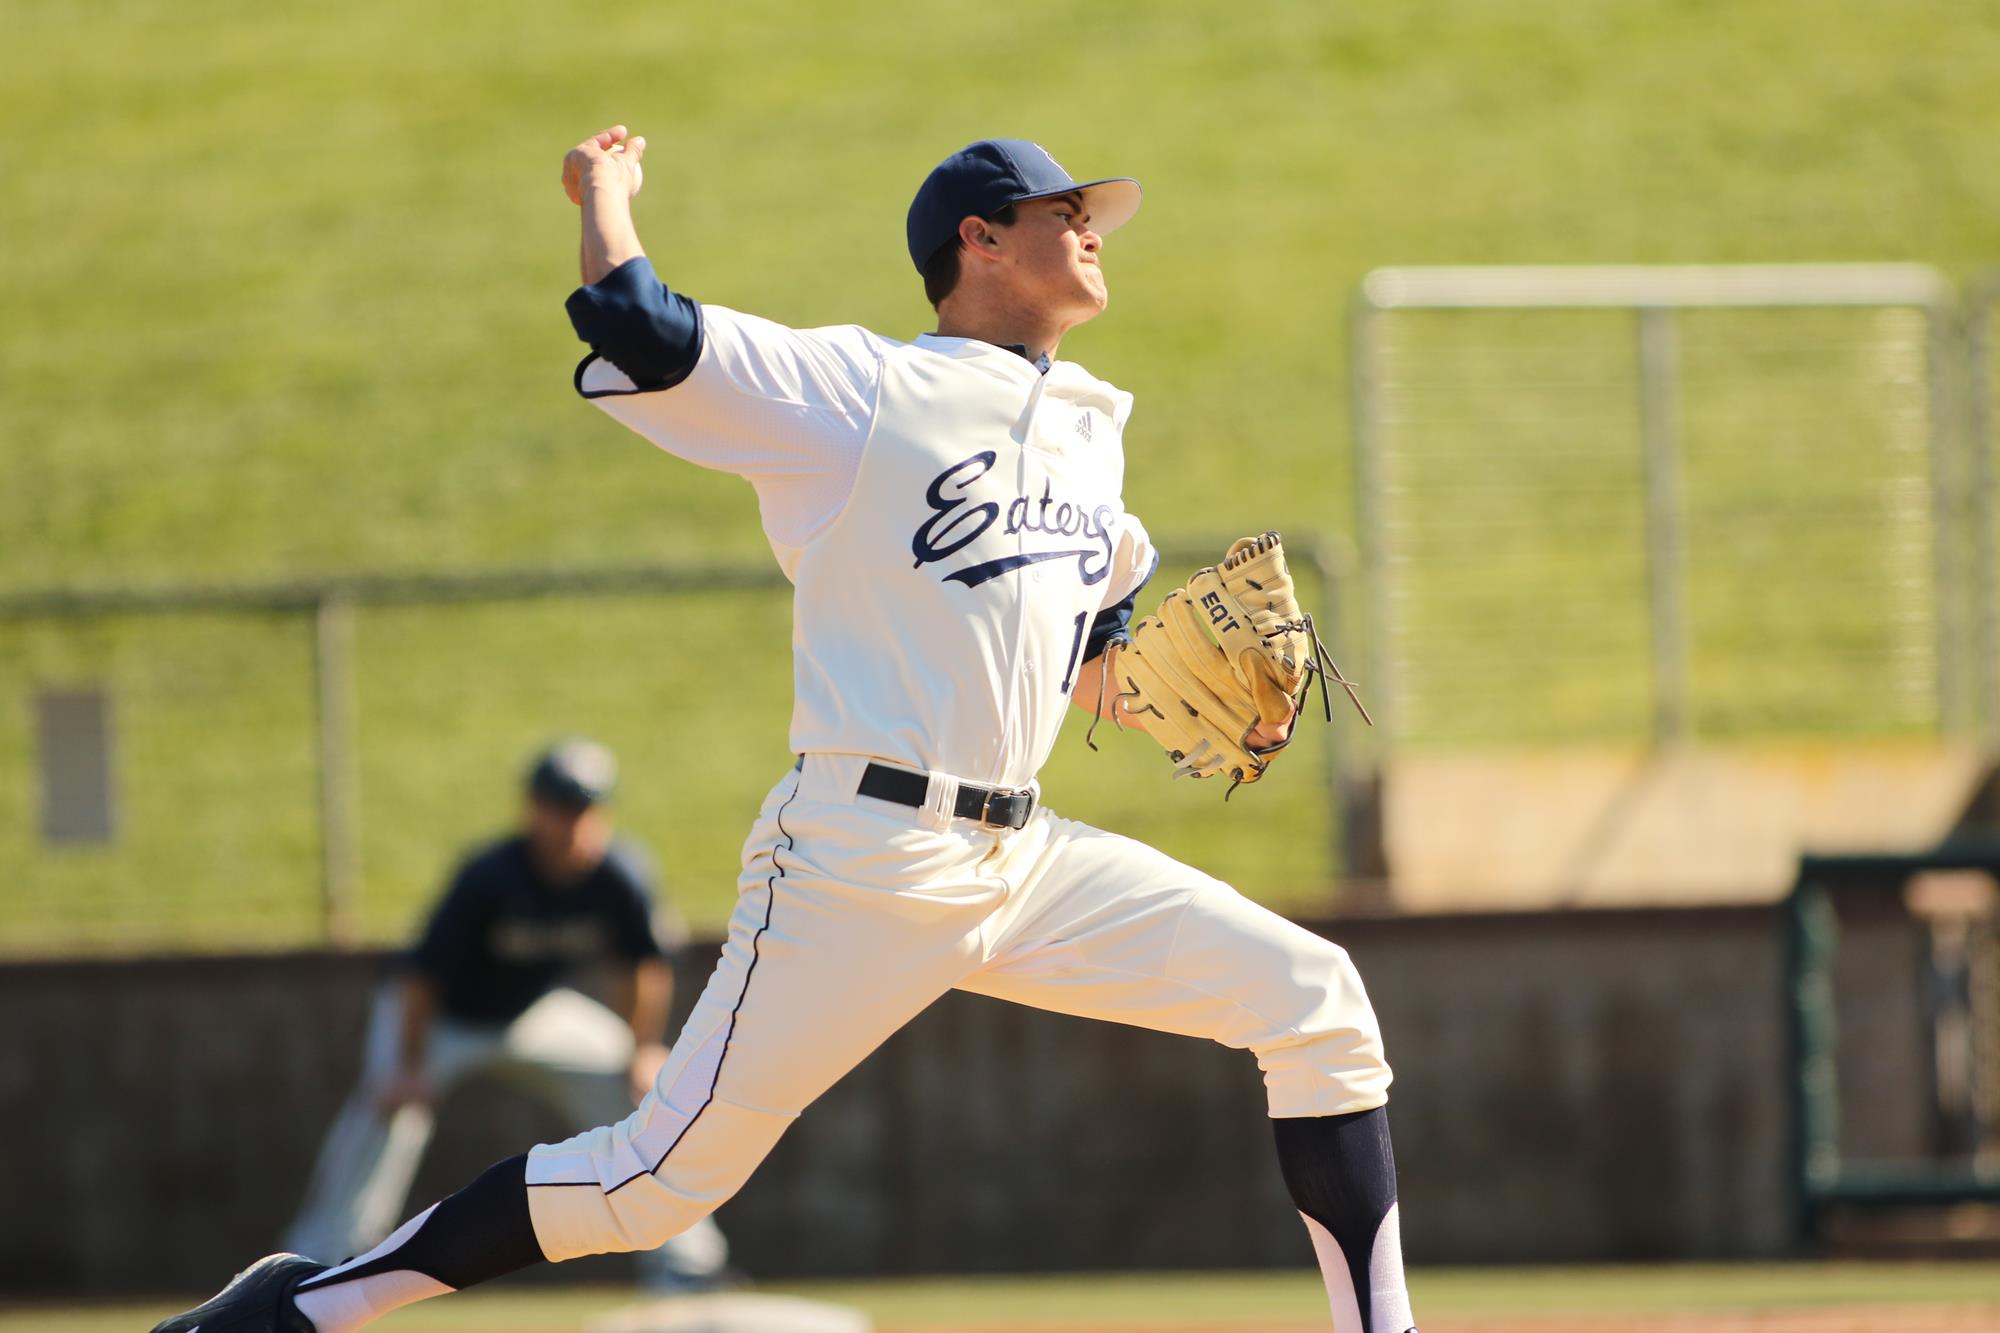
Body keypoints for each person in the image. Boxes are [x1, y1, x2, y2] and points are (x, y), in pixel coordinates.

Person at [153, 131, 1417, 1333]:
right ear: (978, 239)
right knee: (650, 1184)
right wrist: (605, 194)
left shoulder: (1089, 426)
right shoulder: (860, 392)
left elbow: (1100, 621)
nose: (1092, 231)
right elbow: (635, 329)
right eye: (1062, 213)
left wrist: (1128, 676)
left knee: (1314, 1002)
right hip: (861, 852)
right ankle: (301, 1306)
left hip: (1025, 858)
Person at [282, 738, 729, 1294]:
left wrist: (640, 1053)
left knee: (638, 1089)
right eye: (559, 807)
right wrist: (407, 1065)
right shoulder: (490, 875)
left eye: (584, 809)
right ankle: (315, 1265)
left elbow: (644, 966)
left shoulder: (620, 873)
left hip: (528, 1015)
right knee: (388, 1108)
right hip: (437, 1019)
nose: (572, 823)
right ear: (533, 810)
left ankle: (689, 1261)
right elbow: (420, 977)